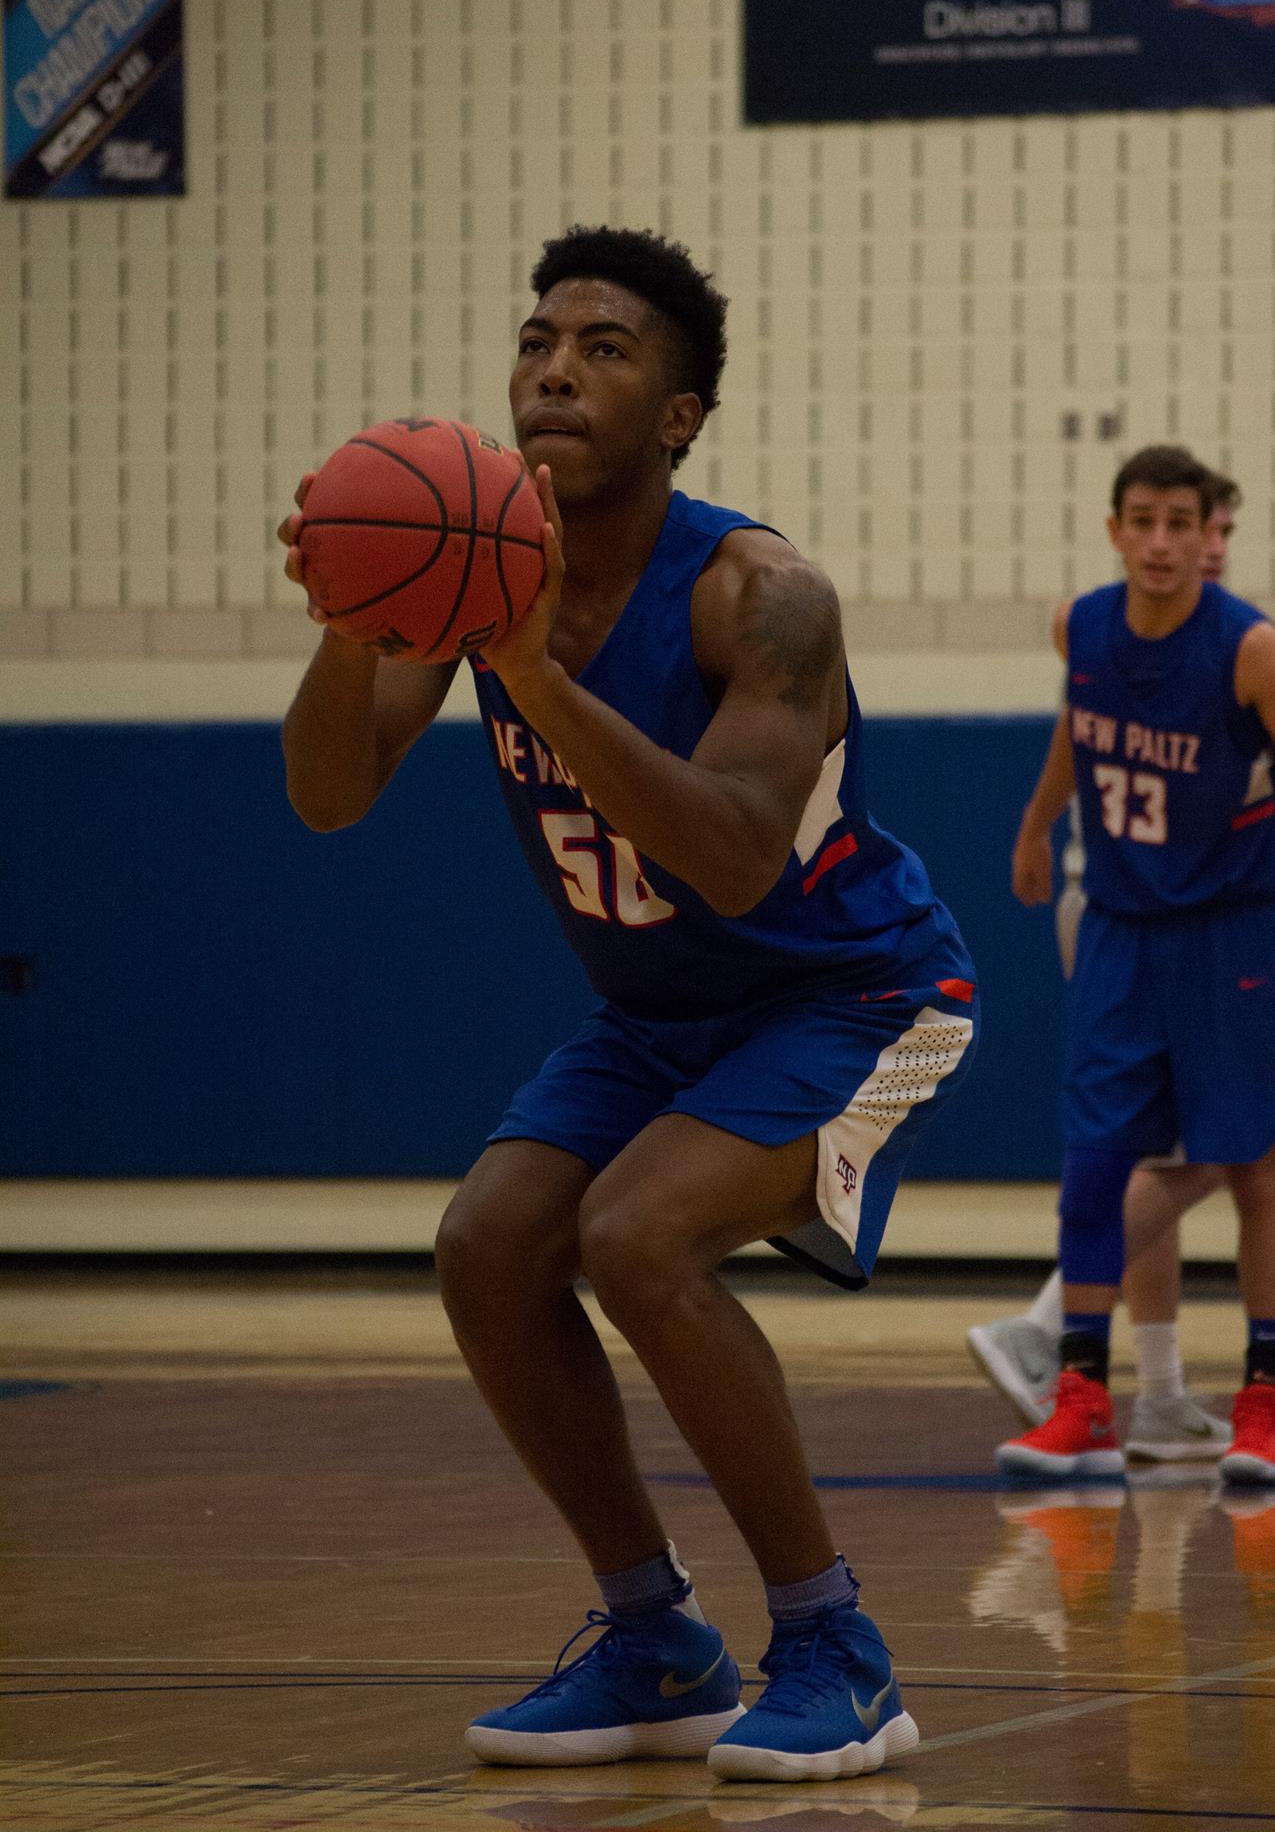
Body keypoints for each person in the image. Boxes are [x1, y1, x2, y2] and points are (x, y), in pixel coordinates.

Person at [278, 226, 978, 1782]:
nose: (553, 370)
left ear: (678, 415)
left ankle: (832, 1647)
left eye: (603, 348)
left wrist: (532, 681)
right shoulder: (471, 569)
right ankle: (655, 1637)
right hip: (662, 1014)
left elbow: (733, 855)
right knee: (486, 1246)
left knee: (637, 1235)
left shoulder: (763, 593)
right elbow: (329, 795)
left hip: (860, 993)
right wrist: (351, 613)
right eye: (537, 342)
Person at [996, 444, 1275, 1484]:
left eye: (1177, 522)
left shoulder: (1251, 652)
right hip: (1118, 930)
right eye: (1139, 519)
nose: (1157, 540)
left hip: (1225, 932)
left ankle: (1265, 1402)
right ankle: (1084, 1400)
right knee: (1096, 1164)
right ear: (1113, 529)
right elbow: (1083, 726)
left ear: (1204, 535)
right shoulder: (1078, 624)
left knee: (1252, 1163)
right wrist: (1037, 818)